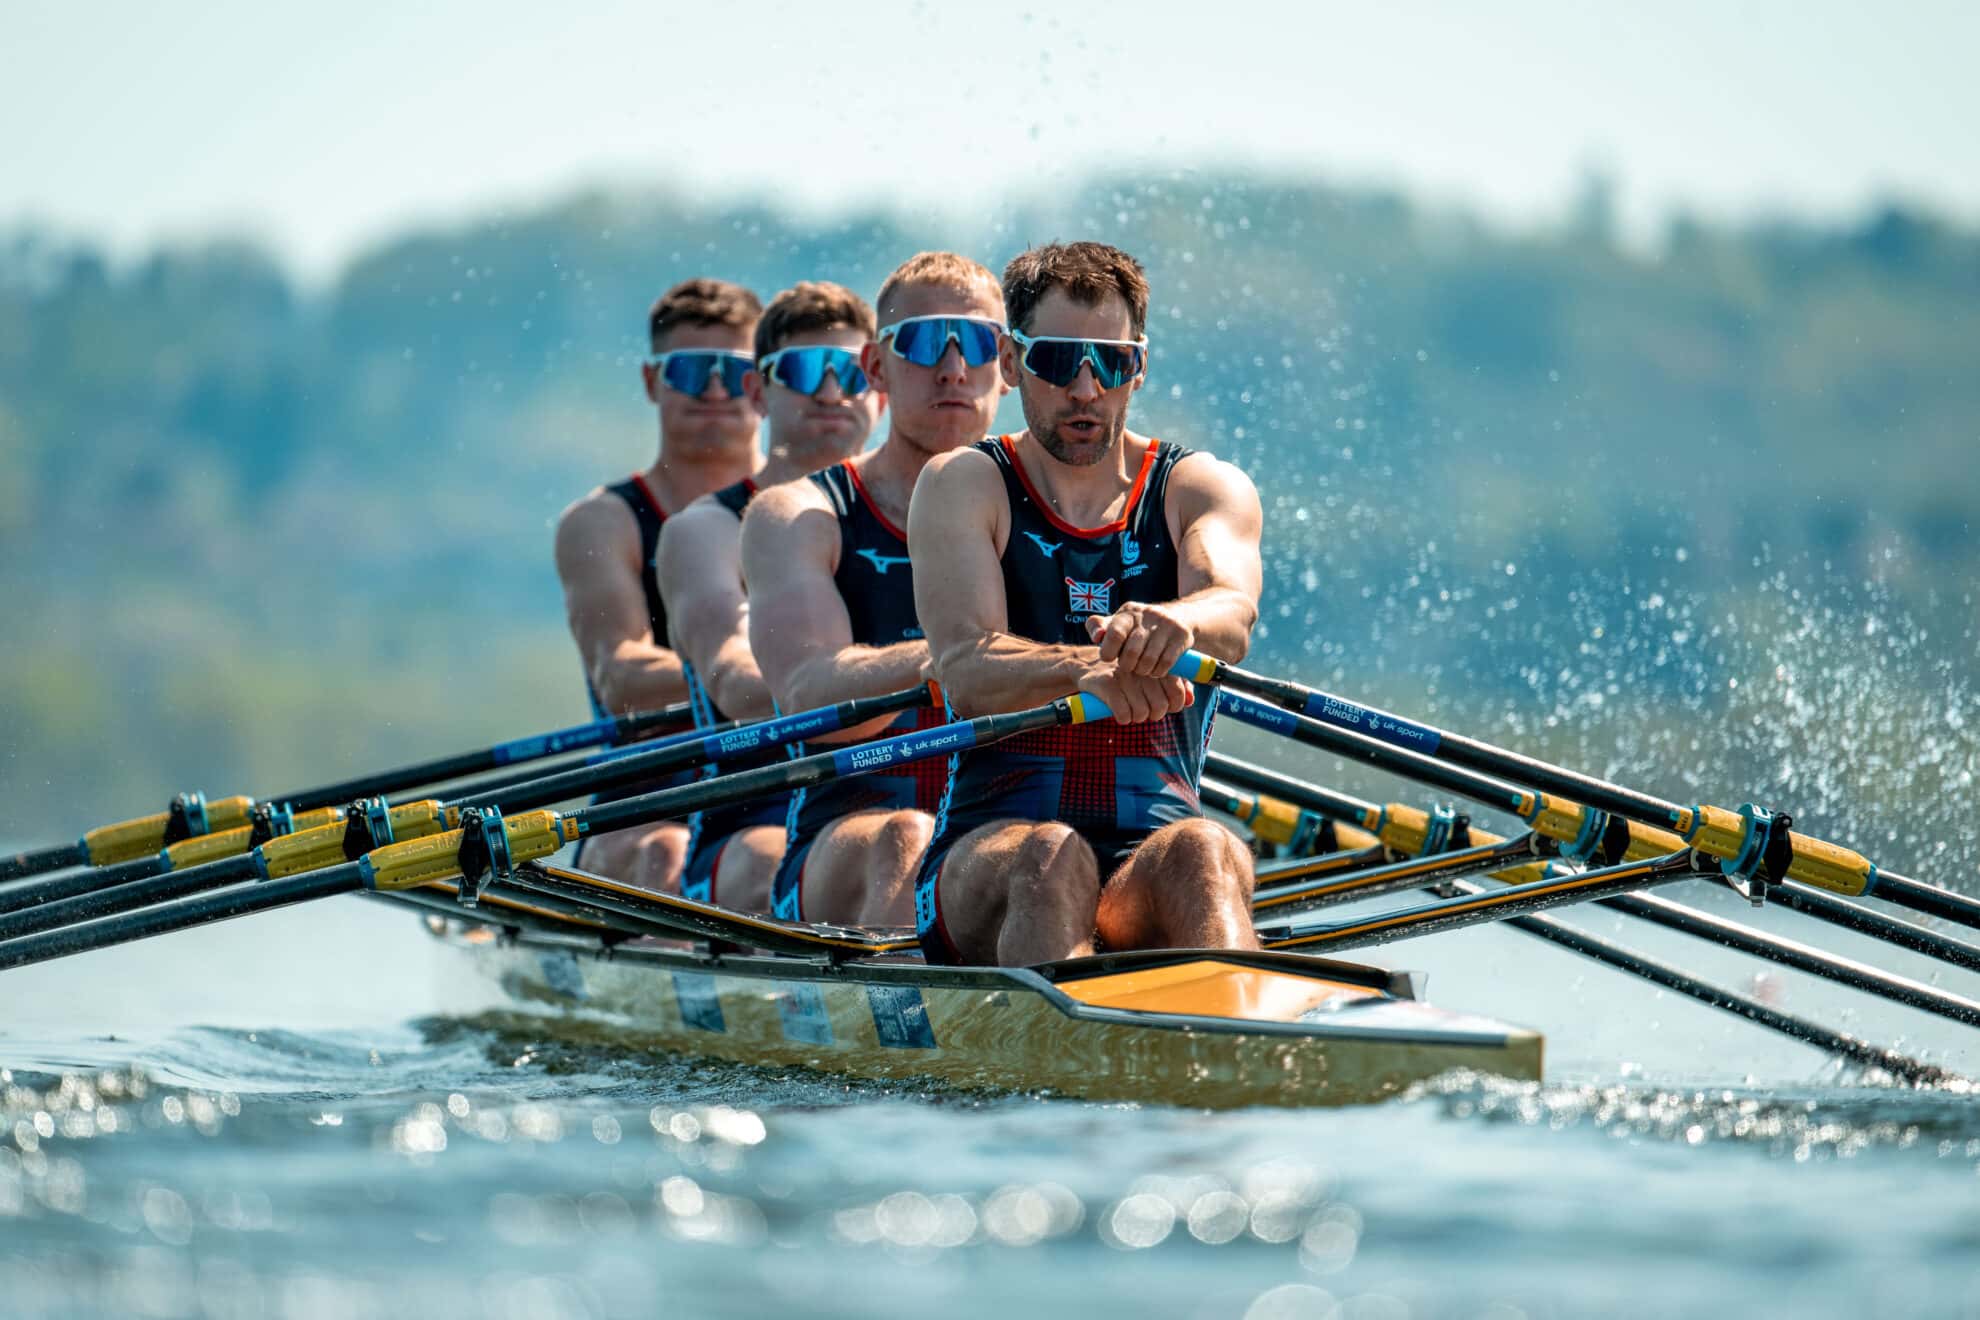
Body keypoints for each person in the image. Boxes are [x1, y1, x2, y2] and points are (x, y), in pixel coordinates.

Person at [906, 241, 1264, 966]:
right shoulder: (964, 485)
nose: (1087, 389)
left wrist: (1174, 624)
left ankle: (1249, 1044)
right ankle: (1055, 1060)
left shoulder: (1200, 486)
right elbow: (967, 666)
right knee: (1053, 854)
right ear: (1010, 363)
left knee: (1205, 847)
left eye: (1113, 362)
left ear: (1140, 365)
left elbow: (1230, 615)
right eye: (1060, 361)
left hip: (1150, 853)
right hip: (991, 848)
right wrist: (1085, 670)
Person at [742, 252, 1009, 926]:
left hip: (1006, 839)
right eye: (922, 341)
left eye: (976, 342)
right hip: (847, 842)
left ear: (1006, 366)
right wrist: (963, 655)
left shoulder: (1055, 508)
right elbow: (808, 693)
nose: (951, 367)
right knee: (906, 835)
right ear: (876, 369)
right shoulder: (800, 515)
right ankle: (920, 1012)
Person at [655, 281, 885, 912]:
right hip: (750, 822)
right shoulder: (704, 531)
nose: (832, 392)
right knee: (767, 857)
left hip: (898, 807)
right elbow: (735, 682)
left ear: (881, 390)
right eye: (807, 370)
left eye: (849, 371)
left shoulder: (929, 515)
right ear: (757, 392)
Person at [553, 277, 762, 892]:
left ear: (764, 384)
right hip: (643, 801)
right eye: (693, 371)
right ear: (652, 383)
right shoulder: (603, 521)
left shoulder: (805, 512)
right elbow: (622, 680)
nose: (718, 389)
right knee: (668, 854)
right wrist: (783, 673)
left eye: (734, 369)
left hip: (770, 782)